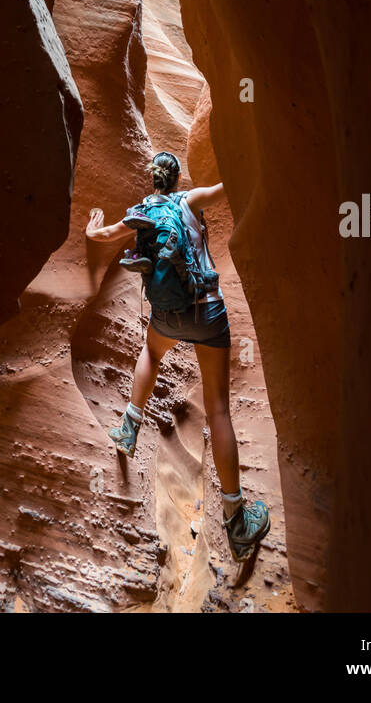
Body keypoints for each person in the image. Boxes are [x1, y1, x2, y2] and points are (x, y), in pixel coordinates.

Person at [85, 150, 270, 563]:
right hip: (207, 314)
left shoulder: (140, 211)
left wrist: (93, 228)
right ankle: (236, 520)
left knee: (151, 352)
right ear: (176, 178)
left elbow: (104, 236)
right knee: (218, 409)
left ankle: (129, 429)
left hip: (166, 316)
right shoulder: (189, 201)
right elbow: (228, 190)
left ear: (152, 180)